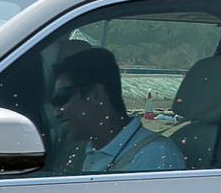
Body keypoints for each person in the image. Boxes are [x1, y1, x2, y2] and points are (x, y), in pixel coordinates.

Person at [44, 43, 183, 173]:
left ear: (96, 94)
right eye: (53, 103)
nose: (56, 112)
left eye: (61, 98)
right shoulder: (94, 150)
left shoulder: (153, 156)